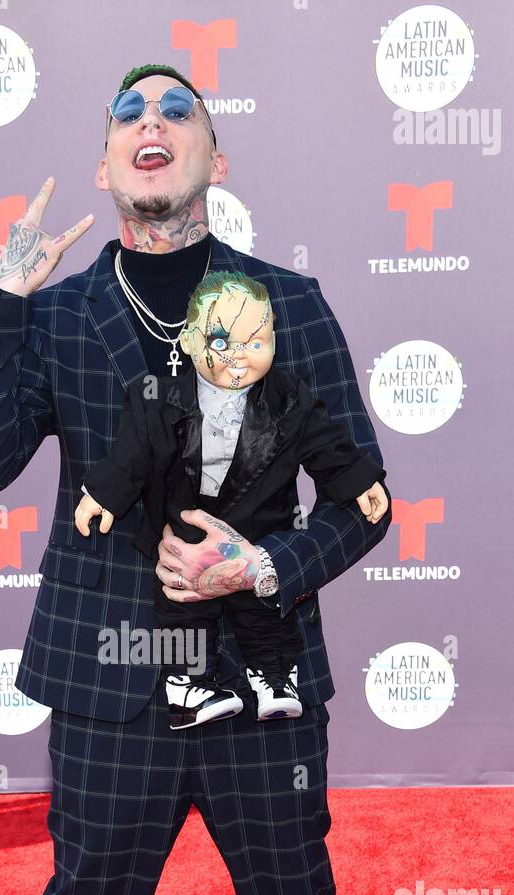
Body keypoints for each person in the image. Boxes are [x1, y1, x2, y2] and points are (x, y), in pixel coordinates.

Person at [0, 62, 452, 895]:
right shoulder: (59, 311)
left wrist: (262, 565)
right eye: (128, 115)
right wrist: (1, 297)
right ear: (106, 167)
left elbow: (363, 495)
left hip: (257, 673)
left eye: (178, 112)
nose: (151, 124)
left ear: (217, 162)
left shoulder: (290, 302)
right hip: (106, 676)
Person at [75, 269, 389, 728]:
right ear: (187, 341)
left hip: (258, 531)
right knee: (183, 610)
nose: (239, 357)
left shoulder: (290, 401)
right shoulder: (156, 400)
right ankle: (188, 685)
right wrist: (101, 494)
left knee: (264, 607)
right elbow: (130, 457)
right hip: (182, 537)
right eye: (221, 341)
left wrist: (357, 479)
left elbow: (327, 445)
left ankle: (275, 676)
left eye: (256, 343)